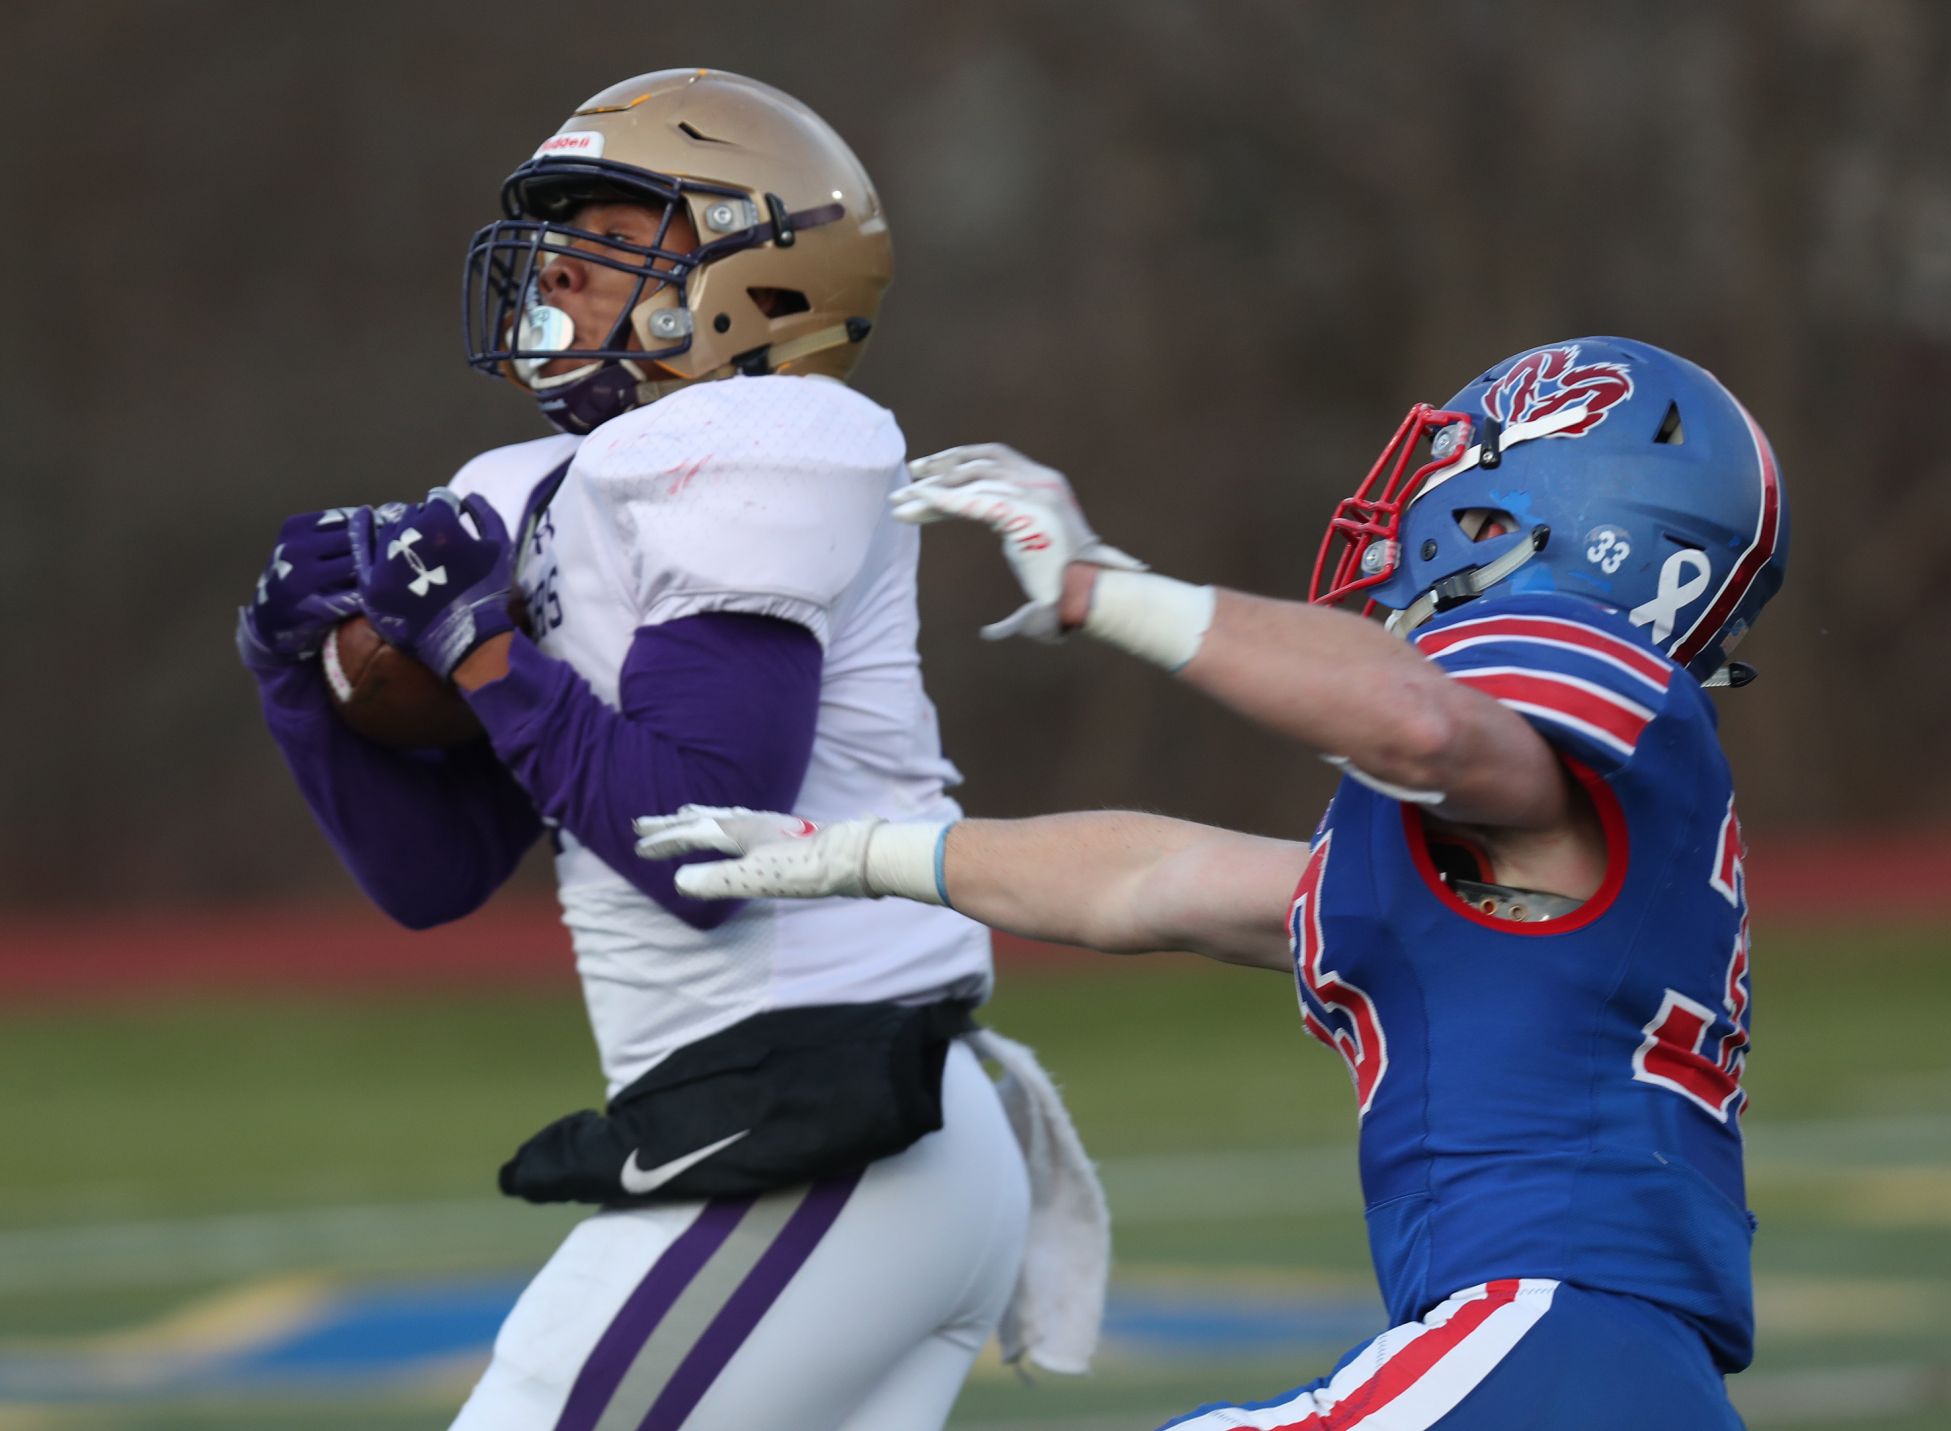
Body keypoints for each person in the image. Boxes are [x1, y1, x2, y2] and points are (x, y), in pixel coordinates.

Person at [636, 336, 1788, 1430]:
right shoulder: (1530, 855)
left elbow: (1421, 725)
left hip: (1546, 1333)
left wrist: (1105, 592)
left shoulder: (1576, 666)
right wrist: (863, 852)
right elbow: (1161, 881)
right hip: (1595, 1363)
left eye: (1462, 481)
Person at [235, 68, 1104, 1431]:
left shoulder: (766, 436)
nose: (555, 281)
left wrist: (480, 649)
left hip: (831, 1127)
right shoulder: (537, 487)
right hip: (819, 1133)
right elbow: (435, 866)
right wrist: (293, 667)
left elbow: (707, 841)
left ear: (754, 281)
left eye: (603, 246)